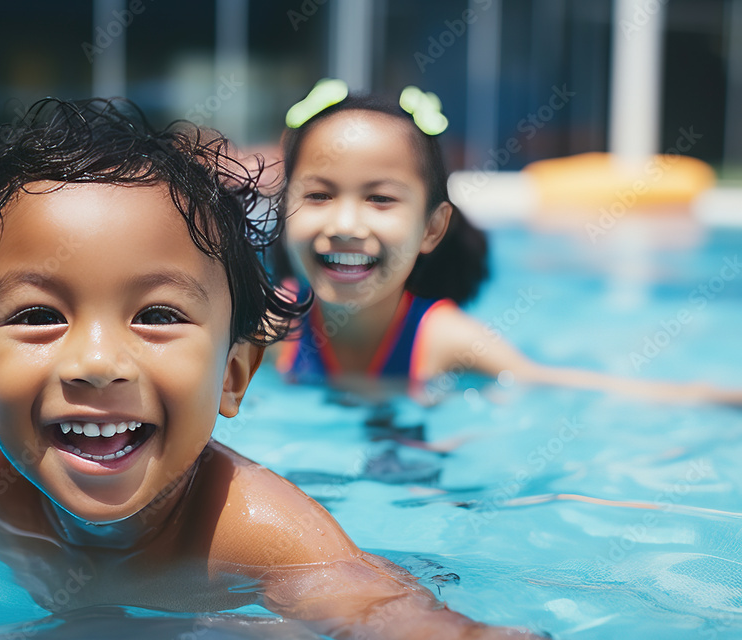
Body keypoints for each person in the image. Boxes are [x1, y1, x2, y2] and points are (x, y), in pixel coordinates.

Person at [0, 98, 631, 640]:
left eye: (158, 315)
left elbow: (428, 635)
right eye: (37, 315)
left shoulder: (261, 534)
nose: (96, 360)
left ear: (236, 374)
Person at [271, 79, 742, 406]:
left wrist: (708, 397)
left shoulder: (444, 339)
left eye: (380, 198)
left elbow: (561, 385)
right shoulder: (272, 325)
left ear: (432, 229)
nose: (346, 223)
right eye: (319, 195)